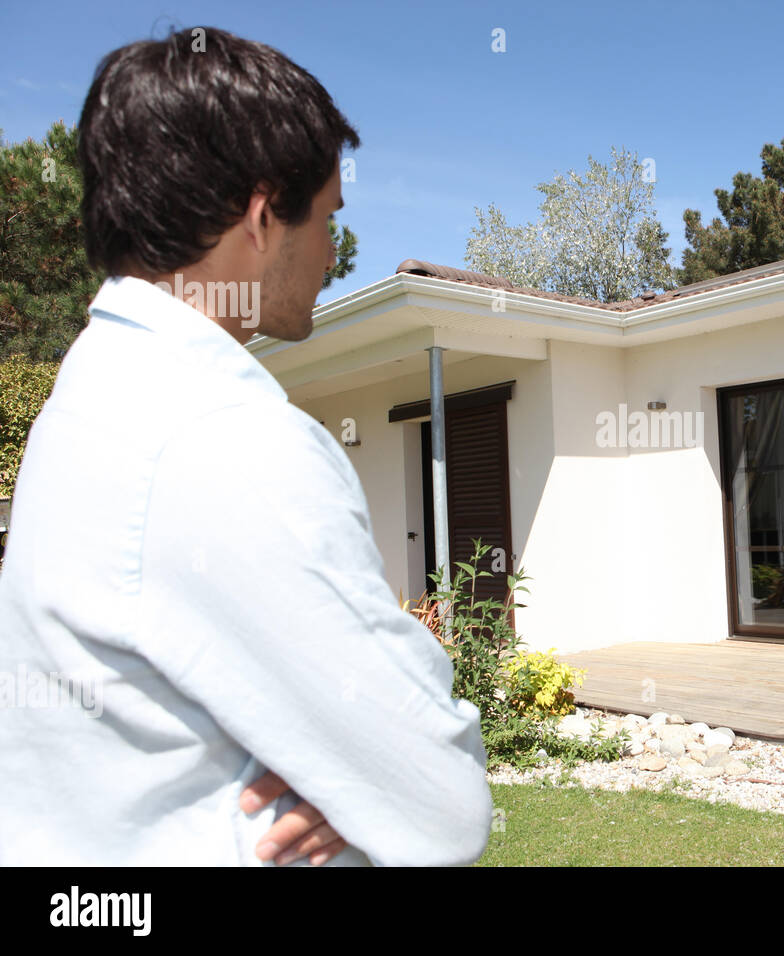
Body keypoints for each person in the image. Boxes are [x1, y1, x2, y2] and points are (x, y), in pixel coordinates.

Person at [0, 27, 494, 866]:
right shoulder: (221, 437)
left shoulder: (90, 397)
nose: (333, 251)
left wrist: (363, 780)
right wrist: (372, 784)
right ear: (264, 218)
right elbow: (444, 803)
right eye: (331, 217)